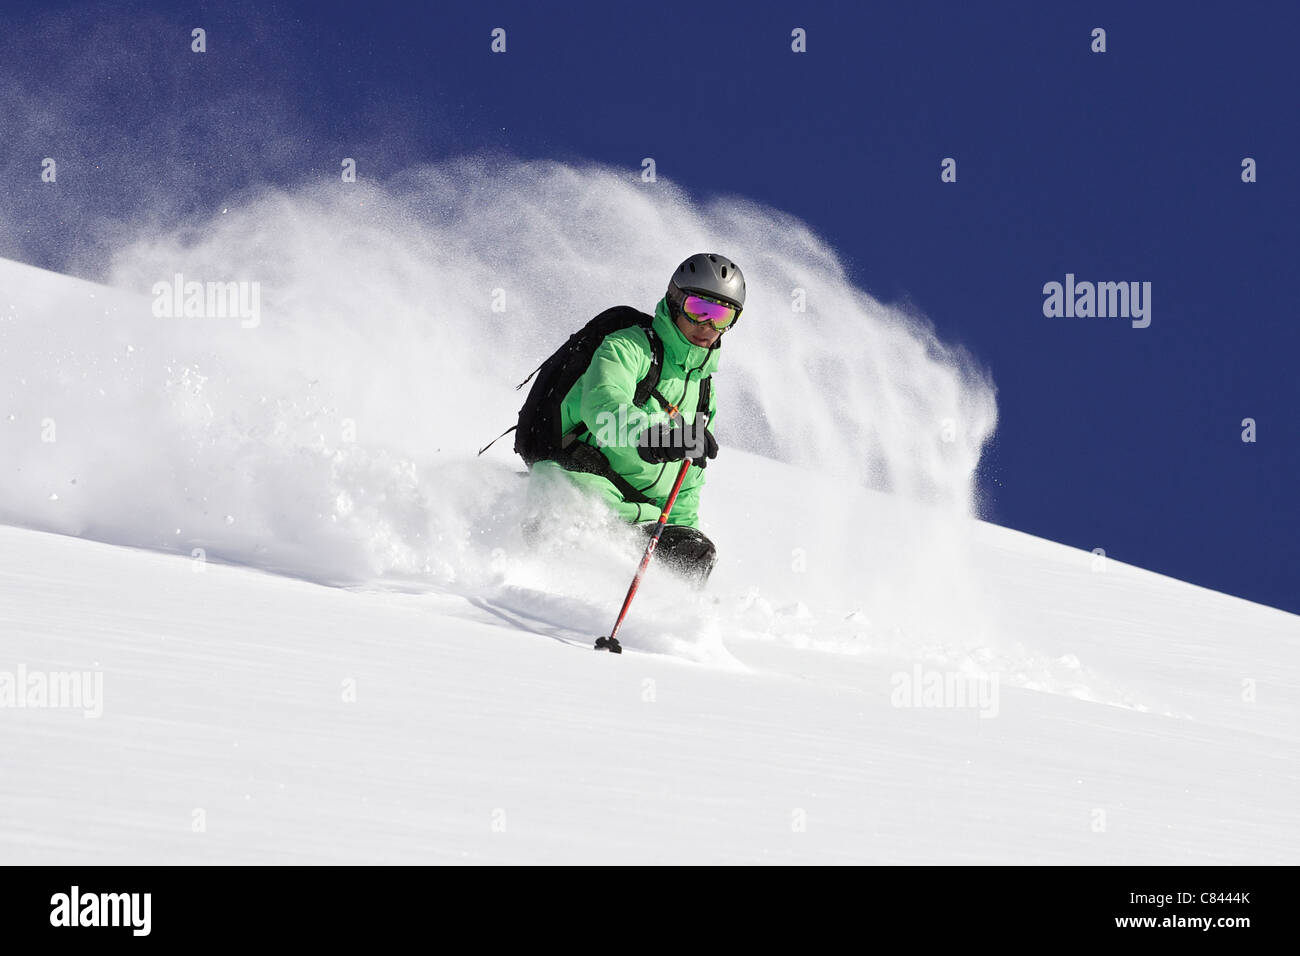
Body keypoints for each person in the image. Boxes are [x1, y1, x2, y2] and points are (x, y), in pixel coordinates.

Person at [524, 253, 745, 585]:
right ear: (675, 302)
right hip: (579, 485)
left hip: (643, 520)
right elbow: (602, 406)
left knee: (694, 555)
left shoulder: (703, 391)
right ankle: (534, 591)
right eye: (699, 309)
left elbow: (688, 478)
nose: (708, 326)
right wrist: (655, 437)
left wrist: (684, 529)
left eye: (721, 315)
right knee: (575, 553)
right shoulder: (629, 347)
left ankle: (671, 629)